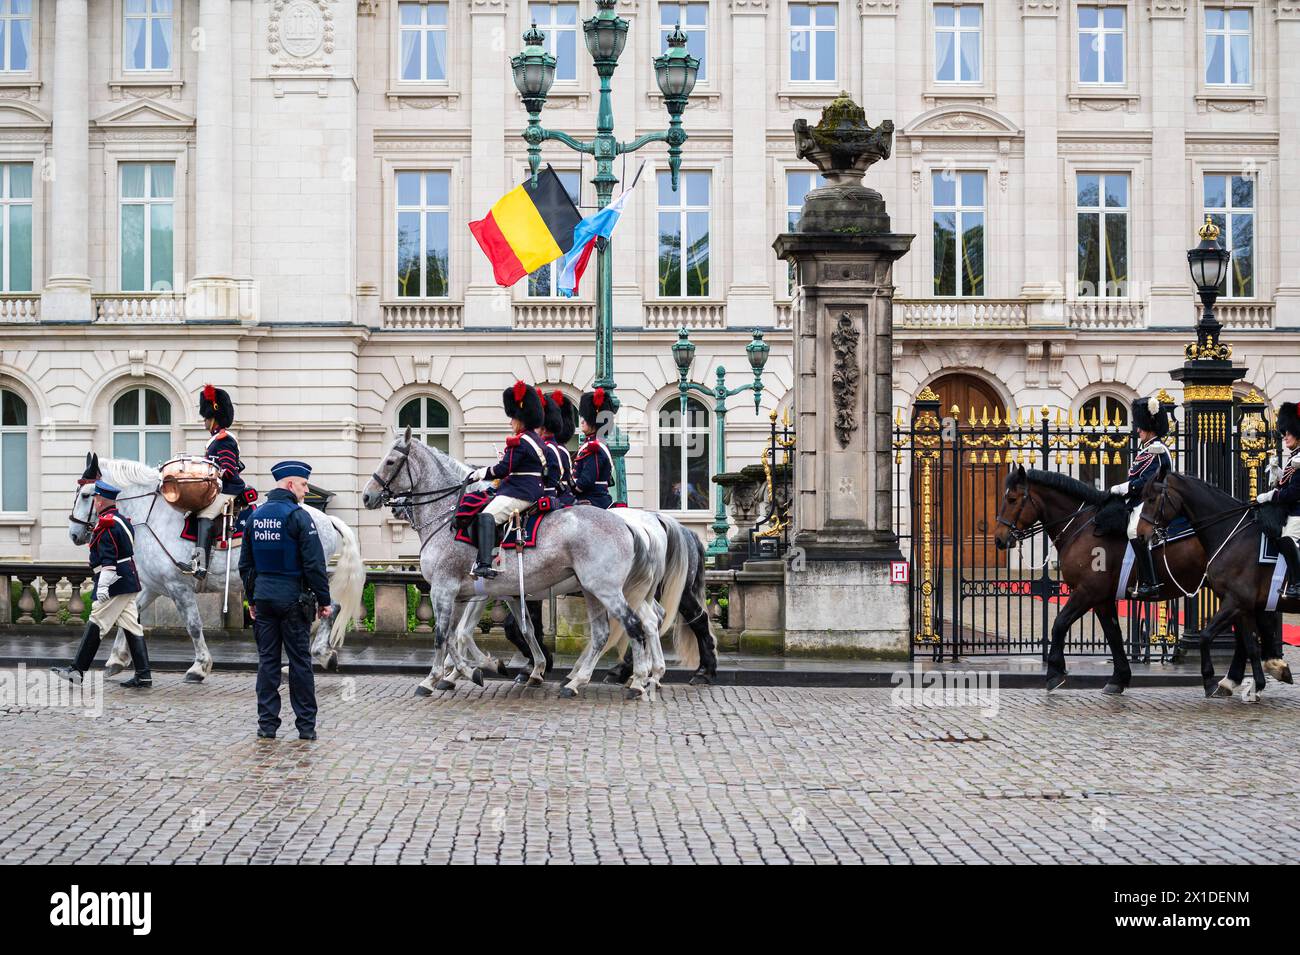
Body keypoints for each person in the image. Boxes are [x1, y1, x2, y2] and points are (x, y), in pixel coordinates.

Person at [239, 460, 332, 741]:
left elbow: (246, 565)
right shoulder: (299, 517)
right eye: (304, 485)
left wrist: (252, 599)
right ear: (290, 484)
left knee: (267, 662)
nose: (306, 491)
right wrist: (324, 600)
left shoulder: (255, 517)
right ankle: (306, 727)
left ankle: (267, 726)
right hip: (293, 599)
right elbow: (314, 564)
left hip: (265, 598)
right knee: (299, 662)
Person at [52, 480, 152, 688]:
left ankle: (77, 670)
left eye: (96, 498)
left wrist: (103, 587)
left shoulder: (106, 525)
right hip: (128, 579)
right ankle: (143, 675)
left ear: (100, 501)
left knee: (97, 620)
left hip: (115, 581)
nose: (95, 501)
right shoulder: (121, 520)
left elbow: (108, 561)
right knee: (132, 625)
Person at [466, 382, 546, 579]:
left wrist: (479, 474)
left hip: (520, 491)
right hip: (530, 488)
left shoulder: (519, 440)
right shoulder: (535, 440)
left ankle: (484, 564)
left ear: (520, 418)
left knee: (487, 515)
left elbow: (503, 470)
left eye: (512, 418)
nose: (510, 422)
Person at [1109, 396, 1174, 599]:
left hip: (1152, 501)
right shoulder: (1146, 448)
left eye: (1141, 426)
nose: (1138, 430)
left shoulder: (1157, 449)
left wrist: (1123, 487)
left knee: (1133, 531)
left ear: (1150, 426)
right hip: (1141, 501)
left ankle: (1151, 582)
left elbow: (1147, 482)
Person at [193, 384, 247, 580]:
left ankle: (201, 565)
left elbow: (229, 470)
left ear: (213, 416)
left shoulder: (224, 439)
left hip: (229, 489)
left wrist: (210, 475)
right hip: (219, 488)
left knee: (205, 515)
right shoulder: (215, 439)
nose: (204, 422)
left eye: (205, 417)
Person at [1256, 401, 1300, 599]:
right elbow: (1288, 486)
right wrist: (1278, 476)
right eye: (1284, 432)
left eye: (1289, 432)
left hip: (1298, 512)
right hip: (1291, 511)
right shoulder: (1294, 458)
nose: (1285, 436)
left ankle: (1298, 584)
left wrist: (1272, 495)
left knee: (1287, 539)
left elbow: (1294, 493)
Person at [574, 388, 615, 508]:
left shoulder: (594, 447)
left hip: (592, 500)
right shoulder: (596, 443)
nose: (581, 421)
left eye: (585, 417)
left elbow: (586, 481)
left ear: (594, 420)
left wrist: (567, 489)